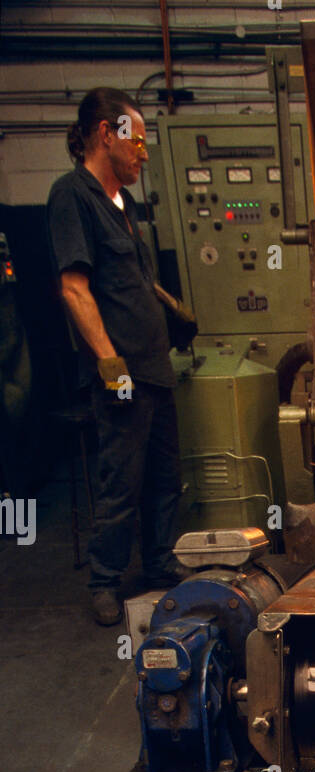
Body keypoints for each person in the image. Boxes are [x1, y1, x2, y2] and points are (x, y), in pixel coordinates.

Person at [47, 87, 196, 625]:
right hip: (123, 374)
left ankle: (157, 565)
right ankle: (105, 581)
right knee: (120, 479)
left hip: (154, 369)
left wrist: (171, 311)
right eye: (135, 139)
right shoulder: (73, 196)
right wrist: (112, 367)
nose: (143, 152)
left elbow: (134, 279)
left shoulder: (124, 206)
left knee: (162, 475)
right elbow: (75, 289)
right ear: (106, 133)